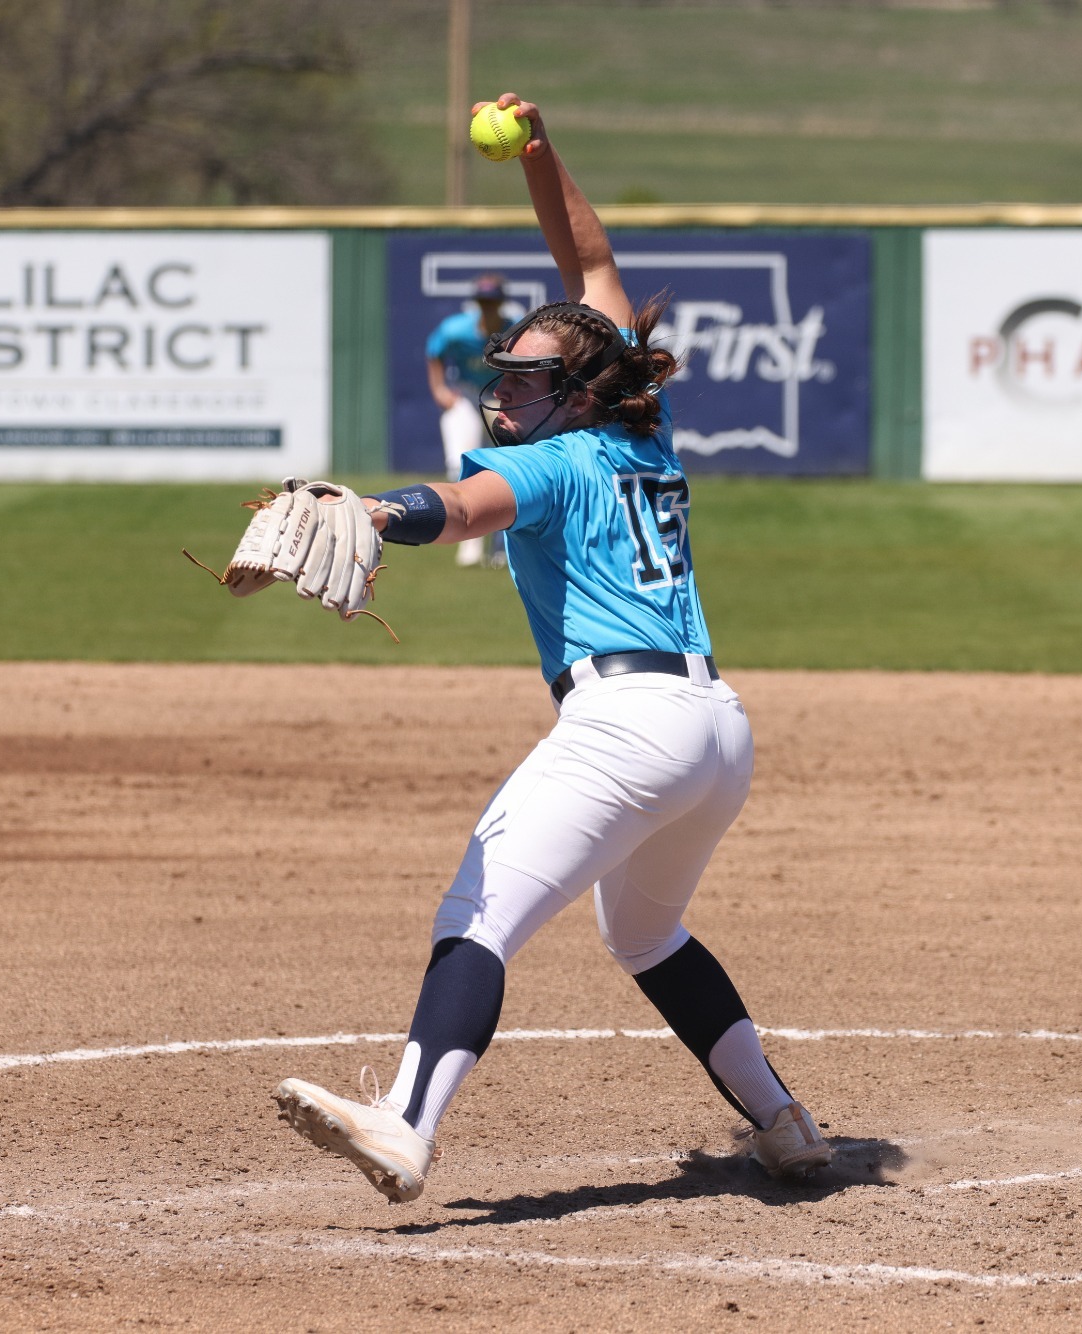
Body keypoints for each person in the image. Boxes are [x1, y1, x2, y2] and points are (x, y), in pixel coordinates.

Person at [271, 92, 833, 1204]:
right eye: (503, 373)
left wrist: (374, 514)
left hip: (624, 727)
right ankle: (783, 1119)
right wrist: (535, 150)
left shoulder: (557, 459)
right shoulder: (638, 428)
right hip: (716, 730)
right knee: (644, 930)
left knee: (474, 916)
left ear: (575, 387)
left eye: (525, 377)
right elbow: (589, 254)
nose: (504, 388)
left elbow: (459, 506)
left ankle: (405, 1124)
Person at [425, 273, 511, 567]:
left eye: (493, 301)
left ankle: (502, 548)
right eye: (483, 301)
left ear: (501, 303)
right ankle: (469, 544)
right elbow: (434, 350)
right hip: (466, 394)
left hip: (500, 397)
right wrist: (439, 389)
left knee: (506, 465)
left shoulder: (514, 331)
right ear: (477, 303)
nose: (488, 307)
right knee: (459, 464)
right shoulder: (457, 329)